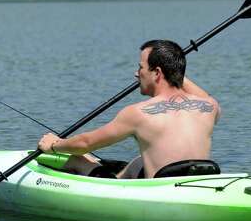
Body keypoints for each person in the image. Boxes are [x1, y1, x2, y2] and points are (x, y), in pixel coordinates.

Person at [38, 39, 220, 178]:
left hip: (162, 192)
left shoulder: (137, 113)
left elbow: (85, 143)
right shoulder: (209, 108)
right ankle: (119, 176)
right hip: (198, 182)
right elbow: (206, 97)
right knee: (139, 163)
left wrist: (54, 145)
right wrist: (173, 70)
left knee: (78, 158)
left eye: (140, 68)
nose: (136, 73)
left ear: (157, 73)